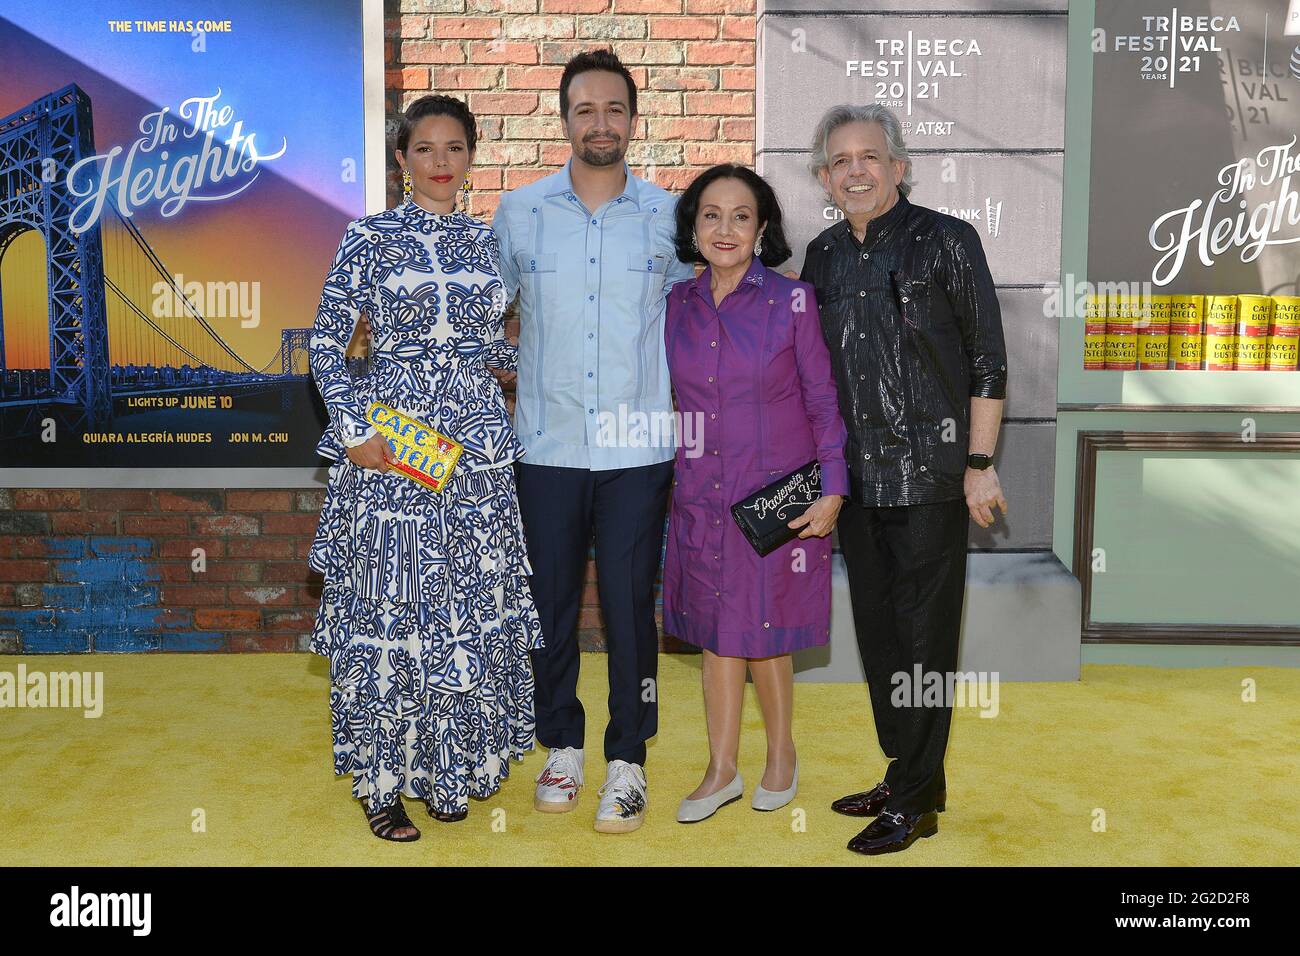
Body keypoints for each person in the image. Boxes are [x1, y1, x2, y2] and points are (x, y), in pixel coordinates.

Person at [307, 94, 542, 841]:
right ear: (402, 161)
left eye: (456, 149)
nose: (442, 164)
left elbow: (488, 350)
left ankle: (449, 767)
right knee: (393, 611)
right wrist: (353, 433)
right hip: (396, 450)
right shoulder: (368, 236)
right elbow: (324, 346)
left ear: (472, 156)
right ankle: (382, 782)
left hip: (475, 458)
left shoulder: (488, 244)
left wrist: (540, 366)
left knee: (462, 610)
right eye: (426, 150)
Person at [492, 49, 696, 834]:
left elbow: (702, 319)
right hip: (544, 446)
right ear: (565, 118)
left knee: (627, 609)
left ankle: (628, 760)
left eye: (614, 109)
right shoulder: (520, 212)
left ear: (633, 121)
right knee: (547, 606)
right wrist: (519, 372)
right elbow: (482, 320)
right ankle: (561, 747)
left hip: (637, 450)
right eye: (585, 109)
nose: (600, 122)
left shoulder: (670, 218)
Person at [798, 104, 1009, 855]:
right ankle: (906, 774)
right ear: (824, 177)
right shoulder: (820, 257)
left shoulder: (949, 241)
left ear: (898, 166)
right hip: (854, 484)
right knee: (882, 640)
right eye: (840, 160)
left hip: (930, 479)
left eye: (870, 157)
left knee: (925, 644)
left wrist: (979, 466)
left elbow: (988, 359)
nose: (855, 170)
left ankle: (917, 802)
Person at [662, 165, 849, 823]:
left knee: (767, 633)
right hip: (702, 493)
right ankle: (720, 771)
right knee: (718, 631)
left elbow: (823, 398)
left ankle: (781, 757)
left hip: (775, 498)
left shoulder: (793, 301)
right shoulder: (676, 306)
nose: (725, 228)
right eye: (711, 214)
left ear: (762, 228)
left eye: (741, 216)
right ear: (694, 225)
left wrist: (833, 487)